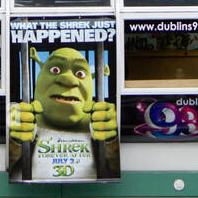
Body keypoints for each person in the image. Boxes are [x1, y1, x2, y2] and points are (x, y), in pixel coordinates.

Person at [9, 47, 118, 182]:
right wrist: (14, 143)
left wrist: (111, 142)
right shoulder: (18, 116)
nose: (68, 80)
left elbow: (115, 173)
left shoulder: (105, 120)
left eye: (80, 74)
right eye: (55, 70)